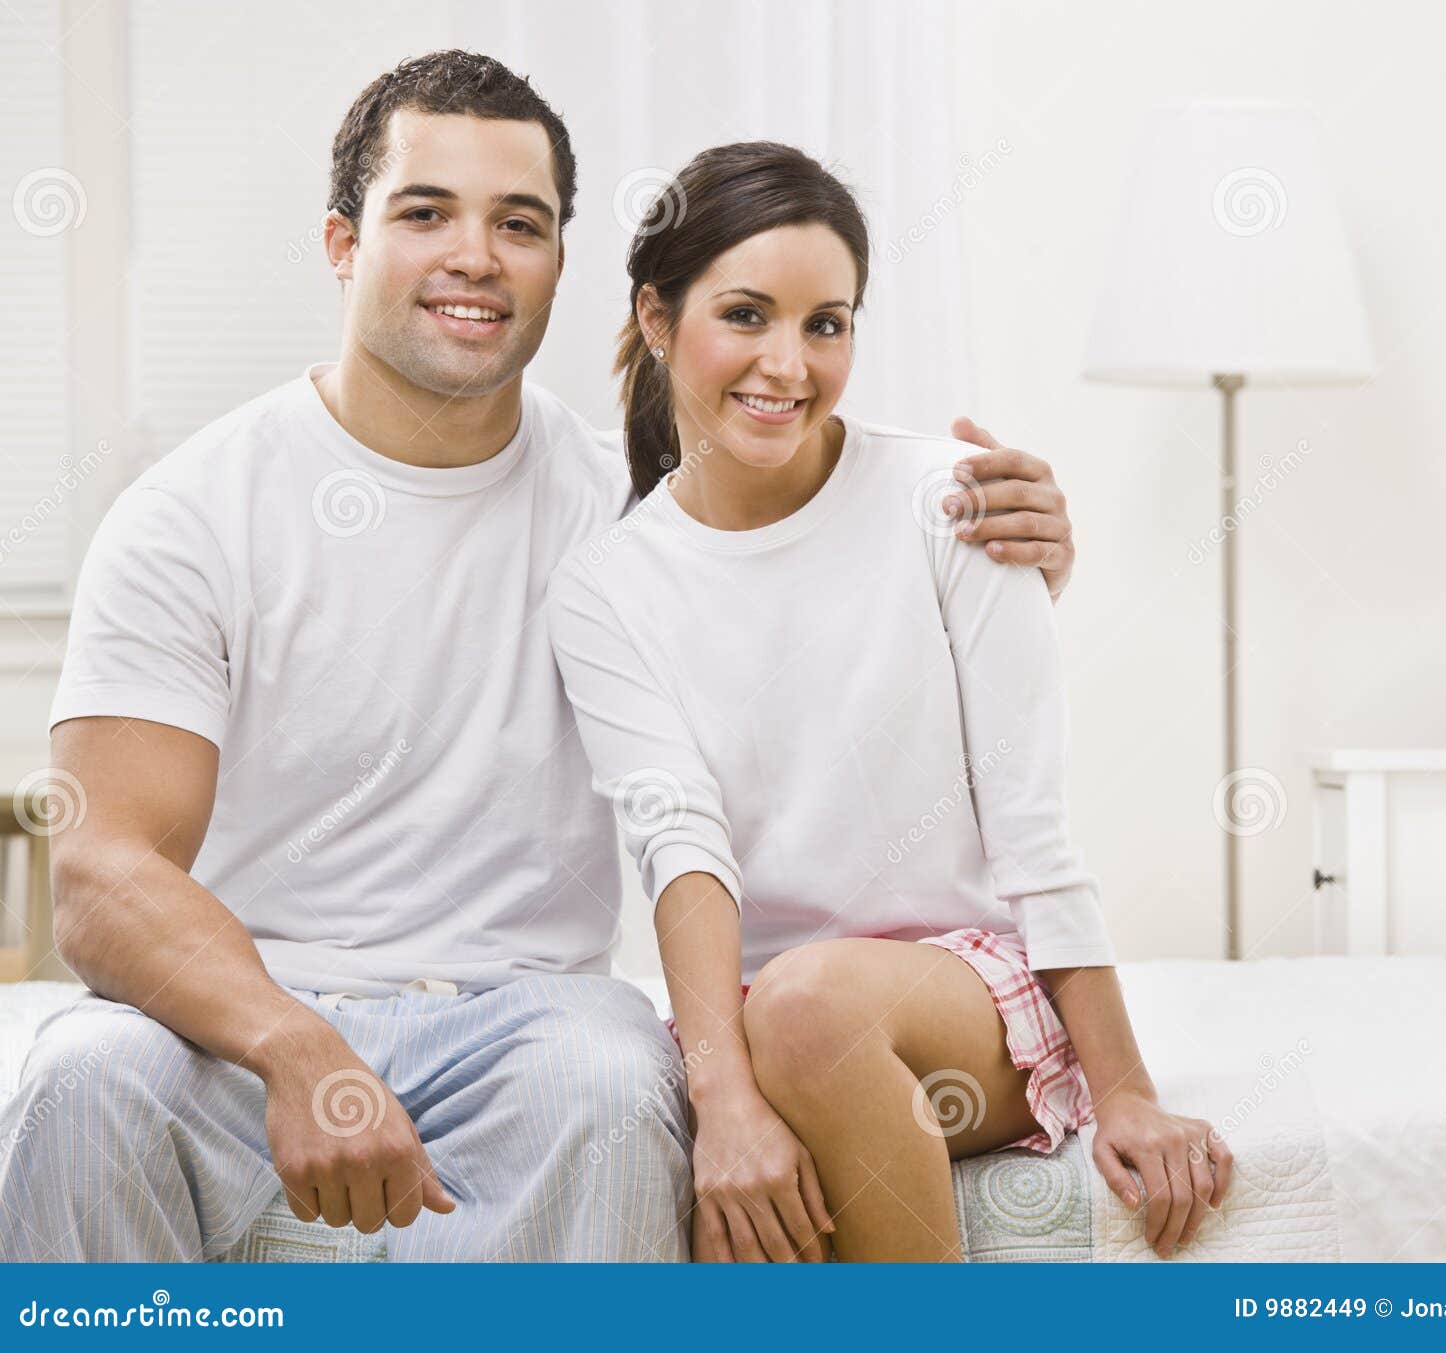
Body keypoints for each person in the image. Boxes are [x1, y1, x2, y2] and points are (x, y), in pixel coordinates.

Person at [0, 53, 1078, 1261]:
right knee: (79, 1079)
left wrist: (1016, 554)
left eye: (519, 223)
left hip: (529, 1024)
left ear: (562, 265)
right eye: (425, 214)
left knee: (613, 1090)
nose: (475, 256)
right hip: (238, 1021)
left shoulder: (629, 513)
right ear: (342, 243)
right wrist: (293, 1044)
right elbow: (101, 877)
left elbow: (839, 637)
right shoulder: (191, 512)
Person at [548, 141, 1232, 1264]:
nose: (789, 362)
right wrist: (725, 1103)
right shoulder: (607, 588)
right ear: (658, 320)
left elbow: (1031, 821)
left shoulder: (951, 503)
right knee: (764, 1102)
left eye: (827, 322)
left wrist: (1129, 1091)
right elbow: (678, 843)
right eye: (747, 315)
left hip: (968, 1001)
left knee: (810, 1005)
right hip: (768, 1023)